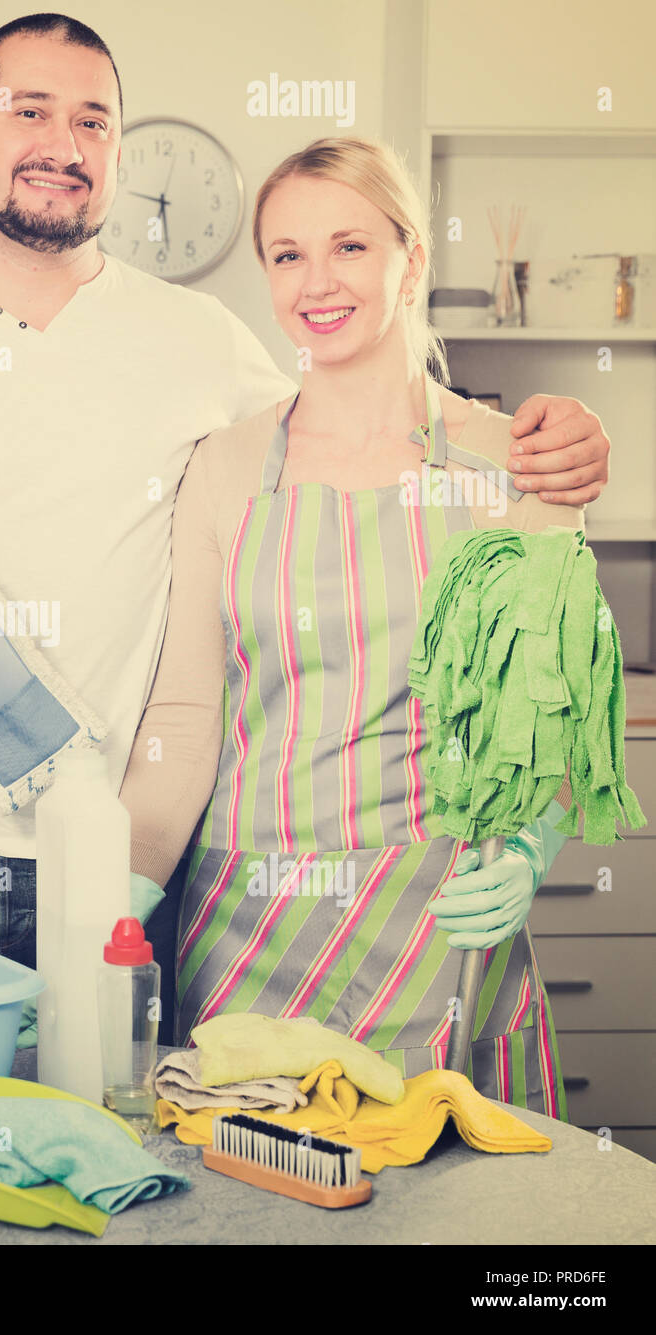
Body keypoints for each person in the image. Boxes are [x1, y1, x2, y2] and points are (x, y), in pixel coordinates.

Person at [0, 14, 612, 1048]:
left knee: (136, 1177)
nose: (62, 146)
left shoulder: (198, 342)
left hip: (141, 863)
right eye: (30, 111)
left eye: (93, 122)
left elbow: (358, 421)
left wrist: (560, 442)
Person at [118, 137, 587, 1116]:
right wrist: (123, 889)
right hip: (246, 933)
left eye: (349, 247)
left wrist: (531, 846)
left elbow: (545, 715)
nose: (314, 282)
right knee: (251, 1205)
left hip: (437, 929)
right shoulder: (226, 465)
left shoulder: (517, 463)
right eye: (286, 255)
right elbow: (187, 714)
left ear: (410, 258)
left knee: (451, 1215)